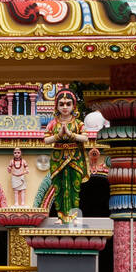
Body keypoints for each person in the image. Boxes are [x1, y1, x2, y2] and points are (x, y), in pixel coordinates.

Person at [43, 89, 89, 223]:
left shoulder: (78, 123)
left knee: (75, 188)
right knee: (59, 187)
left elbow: (85, 138)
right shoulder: (53, 123)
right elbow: (46, 140)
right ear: (56, 106)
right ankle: (61, 216)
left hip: (75, 158)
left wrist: (70, 134)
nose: (64, 107)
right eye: (61, 104)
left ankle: (73, 216)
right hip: (58, 158)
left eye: (68, 104)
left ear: (74, 106)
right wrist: (58, 136)